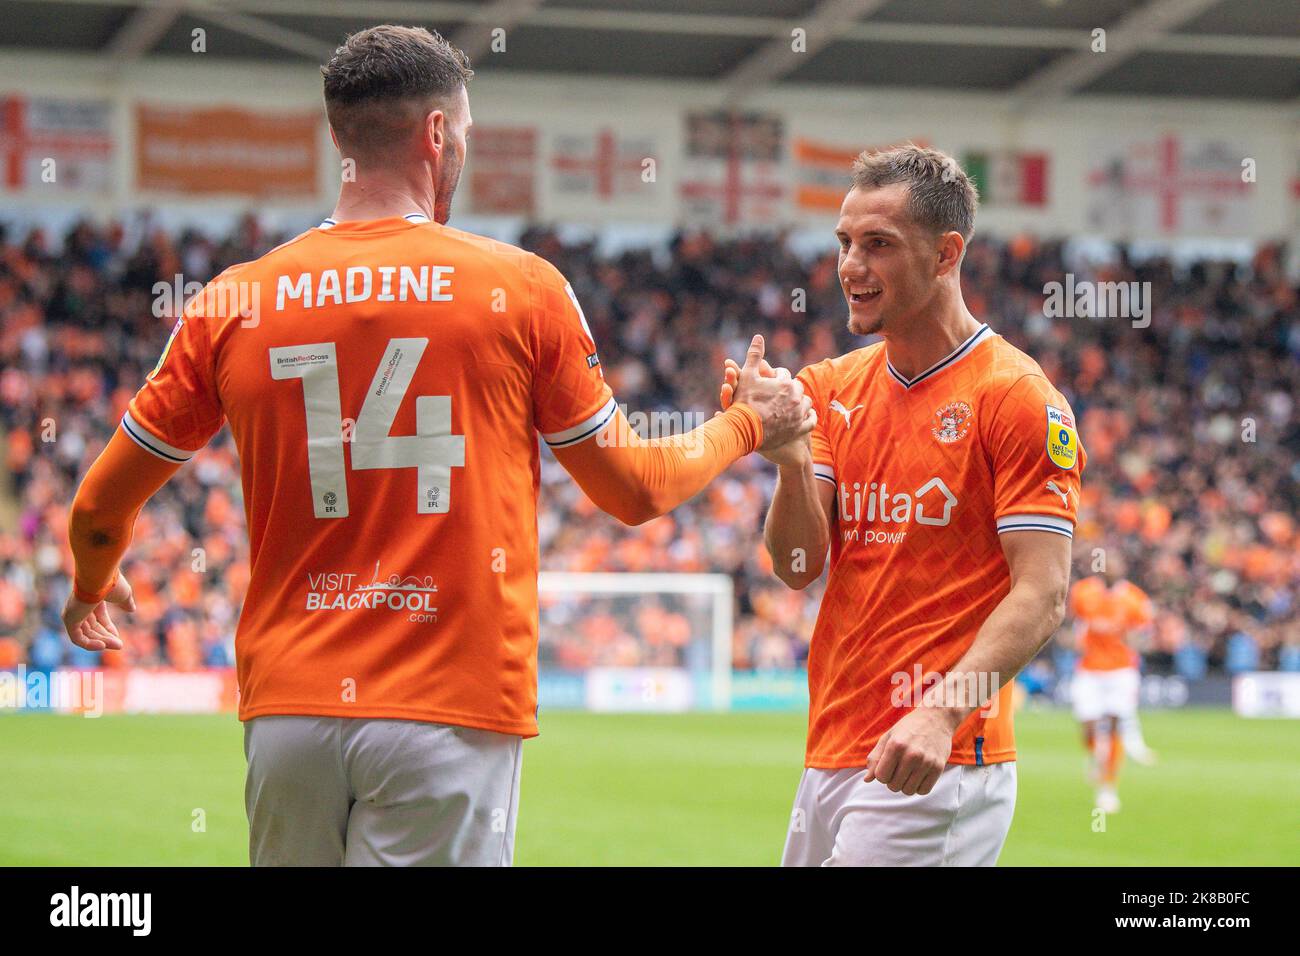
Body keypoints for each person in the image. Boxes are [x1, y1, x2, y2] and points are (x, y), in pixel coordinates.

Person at [62, 25, 813, 867]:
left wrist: (94, 582)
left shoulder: (231, 303)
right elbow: (634, 489)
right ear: (435, 134)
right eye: (465, 133)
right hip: (448, 709)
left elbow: (97, 506)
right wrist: (749, 424)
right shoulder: (522, 288)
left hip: (287, 716)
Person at [723, 144, 1085, 866]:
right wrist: (792, 460)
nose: (851, 267)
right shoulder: (830, 387)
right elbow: (797, 565)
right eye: (845, 243)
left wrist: (943, 713)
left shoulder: (1016, 397)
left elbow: (1043, 595)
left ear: (946, 253)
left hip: (940, 758)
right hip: (833, 746)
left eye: (878, 245)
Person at [1069, 560, 1157, 813]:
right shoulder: (1083, 592)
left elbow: (1144, 634)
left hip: (1120, 670)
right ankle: (1096, 758)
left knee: (1115, 726)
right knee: (1089, 728)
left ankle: (1108, 789)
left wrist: (1136, 642)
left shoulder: (1133, 598)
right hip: (1089, 670)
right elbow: (1076, 623)